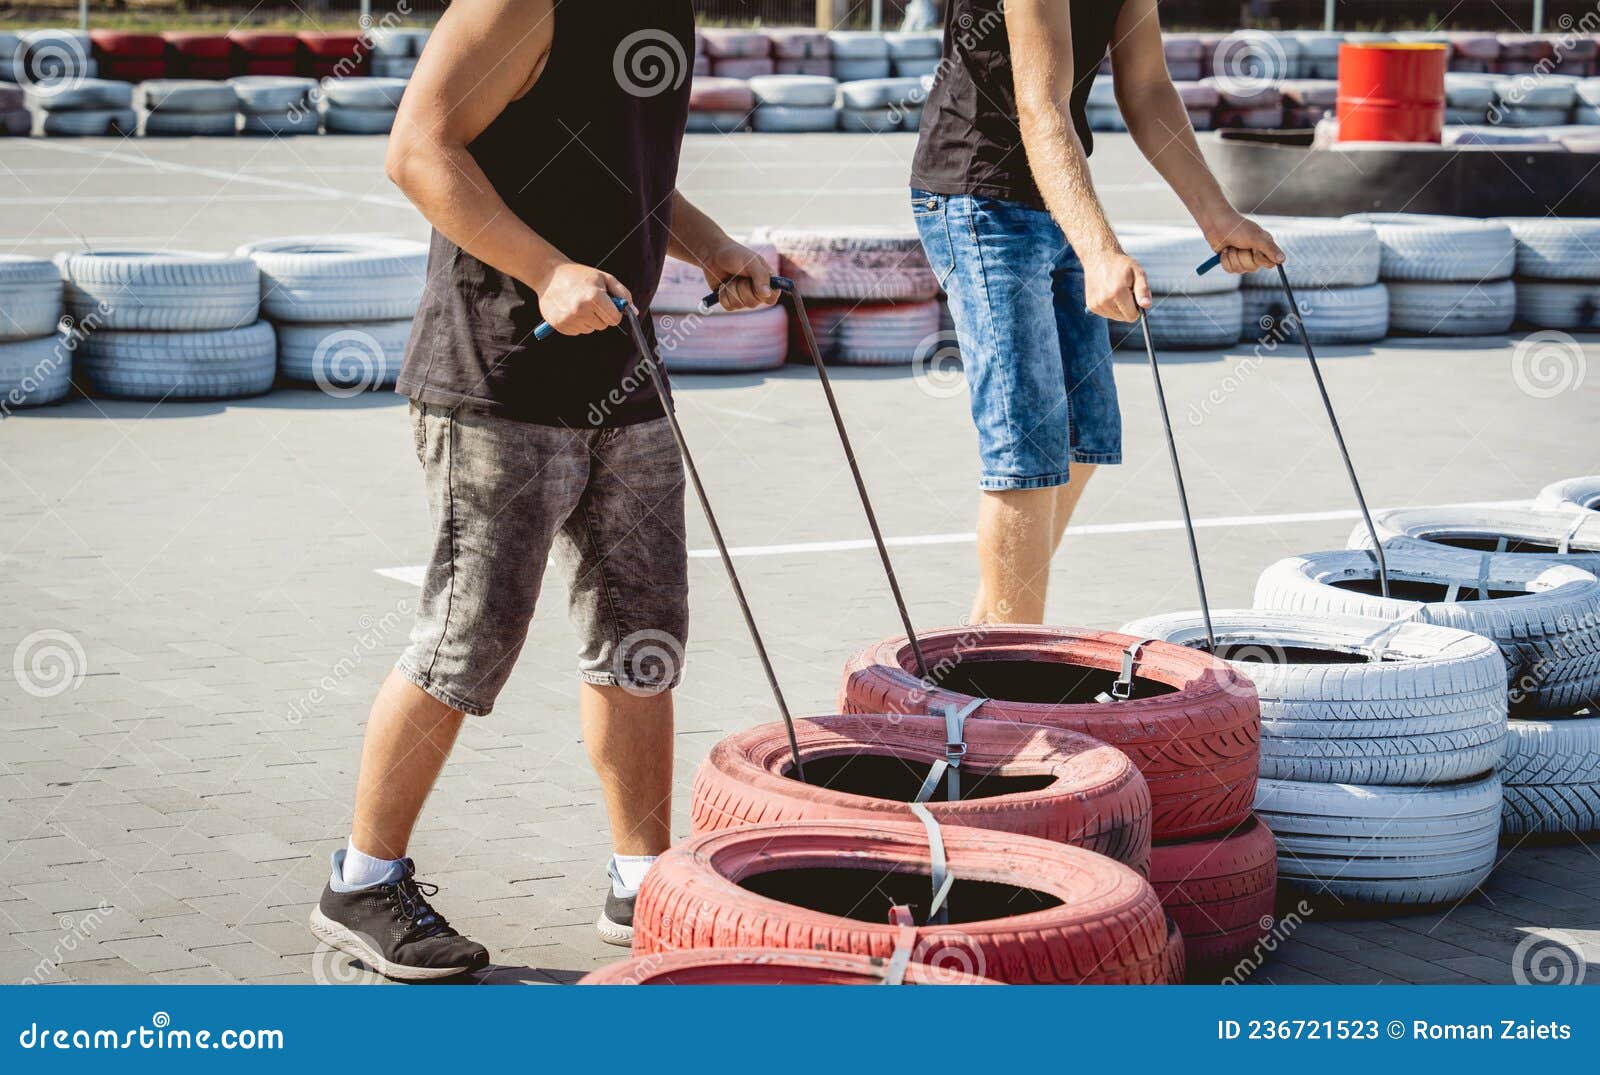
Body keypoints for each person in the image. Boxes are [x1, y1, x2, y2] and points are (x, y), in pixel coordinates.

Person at [307, 0, 776, 980]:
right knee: (466, 639)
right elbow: (417, 151)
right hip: (495, 379)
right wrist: (548, 268)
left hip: (624, 377)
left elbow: (628, 175)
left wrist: (714, 245)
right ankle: (362, 877)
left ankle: (642, 878)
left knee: (643, 633)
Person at [911, 0, 1284, 624]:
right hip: (978, 198)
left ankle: (985, 645)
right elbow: (1040, 104)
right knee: (1027, 448)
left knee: (1085, 438)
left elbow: (1147, 85)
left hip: (1057, 188)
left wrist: (1215, 216)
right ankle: (1011, 684)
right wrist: (1100, 250)